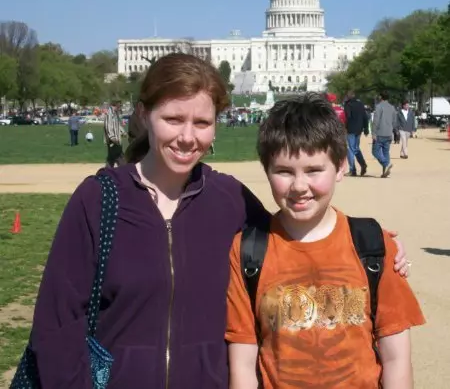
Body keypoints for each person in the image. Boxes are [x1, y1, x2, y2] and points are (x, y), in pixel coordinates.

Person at [27, 54, 409, 389]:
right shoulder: (99, 200)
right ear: (144, 116)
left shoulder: (230, 199)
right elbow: (58, 323)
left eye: (202, 122)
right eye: (173, 119)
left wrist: (380, 246)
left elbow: (296, 238)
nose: (187, 137)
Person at [226, 94, 424, 389]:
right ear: (266, 169)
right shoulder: (247, 251)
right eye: (283, 171)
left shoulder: (373, 245)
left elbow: (396, 358)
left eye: (314, 170)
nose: (299, 186)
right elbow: (243, 363)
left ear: (341, 167)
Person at [372, 92, 397, 178]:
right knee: (386, 152)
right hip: (388, 133)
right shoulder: (392, 107)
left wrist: (373, 133)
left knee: (375, 151)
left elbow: (376, 121)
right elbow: (394, 121)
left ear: (380, 97)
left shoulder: (379, 107)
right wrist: (392, 131)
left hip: (380, 133)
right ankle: (384, 172)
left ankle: (387, 164)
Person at [344, 91, 369, 176]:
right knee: (356, 148)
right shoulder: (360, 104)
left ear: (348, 97)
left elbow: (348, 117)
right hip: (359, 129)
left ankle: (353, 169)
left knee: (351, 149)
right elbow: (365, 116)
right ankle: (362, 165)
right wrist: (366, 128)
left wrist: (345, 127)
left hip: (351, 128)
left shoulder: (347, 105)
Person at [104, 100, 126, 167]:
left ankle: (107, 172)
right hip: (112, 140)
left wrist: (123, 132)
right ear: (116, 105)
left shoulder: (115, 113)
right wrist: (112, 137)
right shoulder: (109, 114)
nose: (120, 107)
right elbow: (108, 126)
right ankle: (123, 171)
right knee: (119, 157)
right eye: (120, 105)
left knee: (112, 158)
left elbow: (117, 125)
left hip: (116, 139)